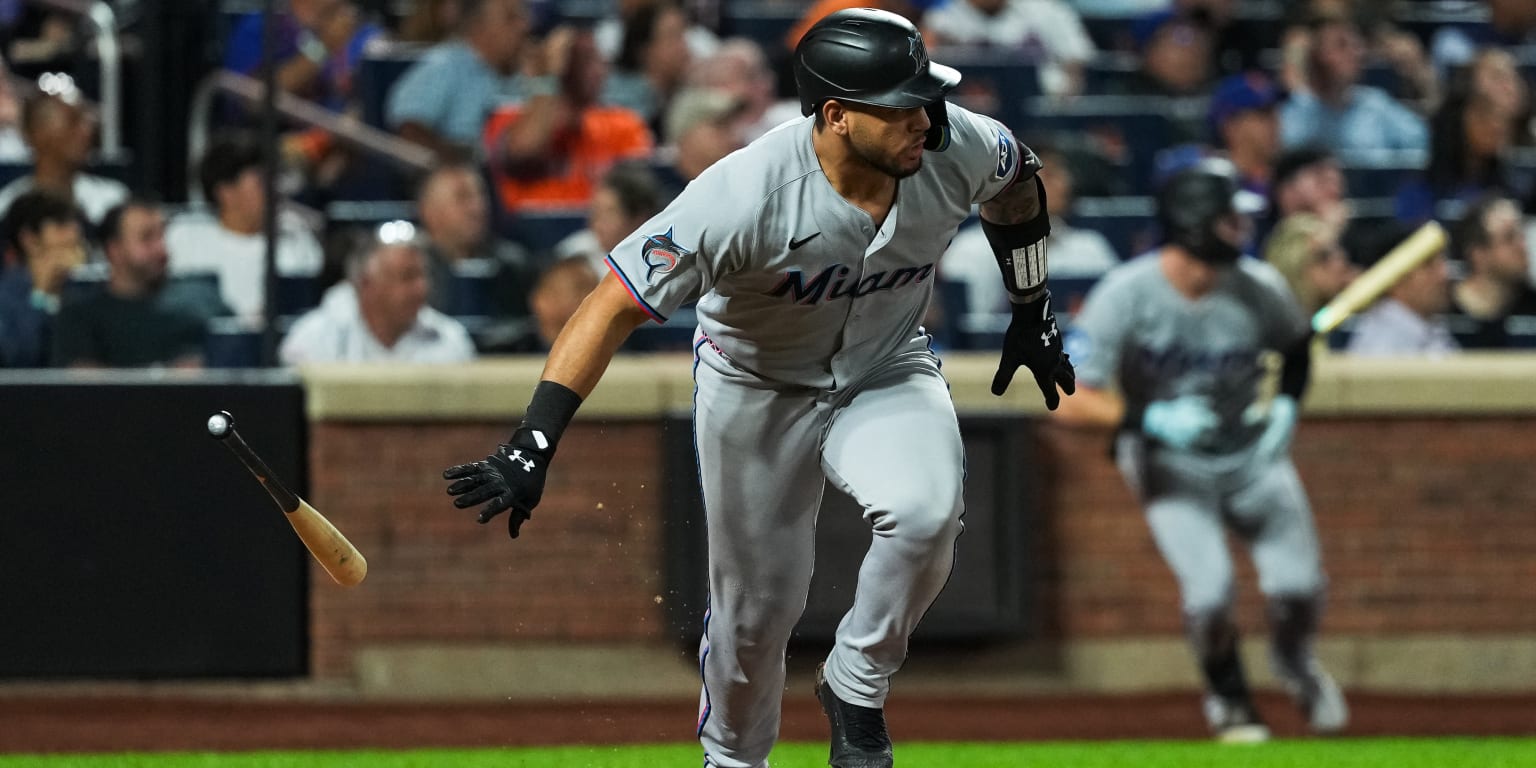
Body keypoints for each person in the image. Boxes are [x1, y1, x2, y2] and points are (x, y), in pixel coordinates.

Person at [441, 10, 1074, 768]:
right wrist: (535, 438)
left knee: (927, 514)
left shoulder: (956, 140)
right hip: (757, 384)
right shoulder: (742, 194)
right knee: (756, 617)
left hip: (885, 365)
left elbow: (1017, 188)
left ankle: (855, 682)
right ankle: (733, 760)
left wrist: (1032, 310)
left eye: (925, 96)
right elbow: (610, 302)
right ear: (836, 115)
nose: (923, 117)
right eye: (900, 104)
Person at [1051, 160, 1348, 743]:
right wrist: (1149, 417)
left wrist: (1286, 405)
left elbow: (1295, 348)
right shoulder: (1127, 295)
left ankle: (1296, 665)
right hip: (1169, 462)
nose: (1241, 230)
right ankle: (1230, 697)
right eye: (1229, 219)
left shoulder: (1259, 287)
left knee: (1298, 588)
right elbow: (1065, 396)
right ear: (1192, 222)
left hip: (1250, 456)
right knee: (1209, 592)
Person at [166, 130, 325, 327]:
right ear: (226, 192)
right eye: (261, 182)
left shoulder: (295, 237)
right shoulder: (185, 236)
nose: (274, 190)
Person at [52, 200, 231, 368]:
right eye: (146, 238)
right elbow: (84, 386)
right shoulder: (80, 317)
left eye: (162, 236)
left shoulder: (204, 300)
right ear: (114, 250)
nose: (161, 249)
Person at [279, 221, 476, 364]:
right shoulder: (313, 340)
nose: (421, 288)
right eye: (407, 277)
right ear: (366, 284)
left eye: (423, 276)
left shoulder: (452, 341)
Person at [386, 0, 533, 160]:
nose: (524, 25)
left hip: (521, 171)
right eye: (511, 18)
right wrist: (456, 164)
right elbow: (410, 131)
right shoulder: (446, 65)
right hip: (466, 173)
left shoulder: (528, 72)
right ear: (478, 26)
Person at [0, 76, 128, 226]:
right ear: (38, 133)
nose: (86, 131)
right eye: (73, 121)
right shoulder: (8, 209)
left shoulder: (112, 202)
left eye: (87, 122)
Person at [1344, 224, 1457, 356]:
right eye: (1429, 265)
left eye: (1442, 262)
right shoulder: (1381, 347)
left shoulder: (1431, 328)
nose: (1444, 274)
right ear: (1396, 279)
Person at [0, 188, 83, 366]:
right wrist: (41, 295)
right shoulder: (4, 297)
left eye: (74, 224)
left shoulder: (83, 291)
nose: (73, 235)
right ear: (30, 239)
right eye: (61, 225)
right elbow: (16, 360)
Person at [1446, 195, 1536, 349]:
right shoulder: (1443, 313)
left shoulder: (1532, 307)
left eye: (1521, 235)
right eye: (1509, 238)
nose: (1522, 246)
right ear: (1478, 254)